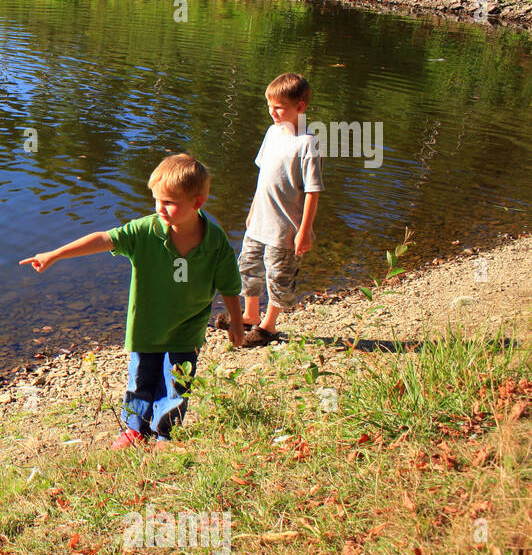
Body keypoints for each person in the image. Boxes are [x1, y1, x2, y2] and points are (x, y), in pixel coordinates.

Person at [21, 154, 245, 447]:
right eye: (156, 200)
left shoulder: (215, 243)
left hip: (187, 328)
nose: (160, 208)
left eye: (169, 202)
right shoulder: (144, 231)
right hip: (147, 326)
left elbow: (229, 285)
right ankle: (135, 428)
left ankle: (166, 432)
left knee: (177, 385)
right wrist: (55, 254)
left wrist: (236, 322)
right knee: (141, 379)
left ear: (197, 203)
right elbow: (104, 239)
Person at [233, 72, 324, 346]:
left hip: (285, 228)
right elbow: (264, 179)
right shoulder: (273, 133)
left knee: (279, 276)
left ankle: (268, 326)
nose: (272, 112)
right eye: (269, 105)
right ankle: (250, 313)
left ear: (300, 106)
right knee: (248, 266)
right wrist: (251, 211)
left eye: (279, 107)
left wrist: (304, 231)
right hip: (260, 220)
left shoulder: (307, 143)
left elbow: (312, 192)